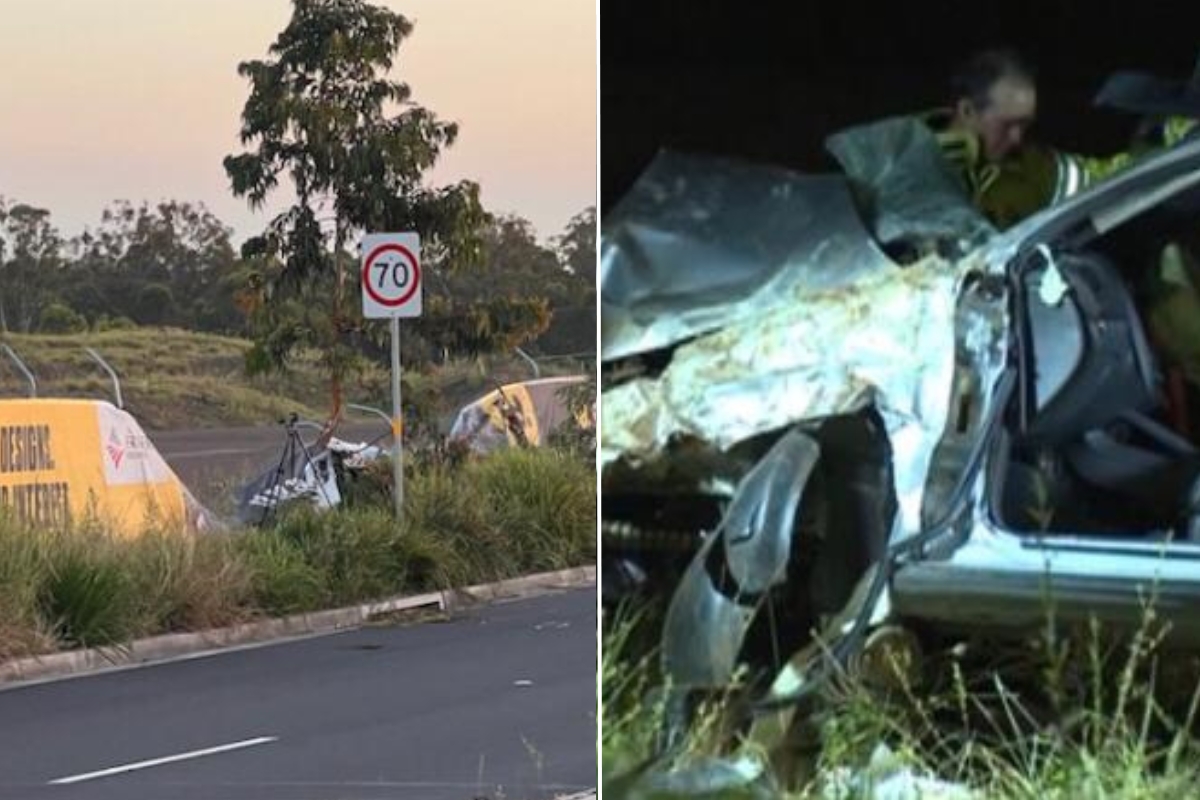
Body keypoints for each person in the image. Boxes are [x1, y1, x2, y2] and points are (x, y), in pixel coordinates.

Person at [920, 47, 1133, 230]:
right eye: (1007, 125)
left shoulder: (1031, 164)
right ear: (967, 111)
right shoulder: (903, 162)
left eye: (1024, 124)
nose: (1017, 138)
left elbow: (1099, 181)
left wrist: (1153, 148)